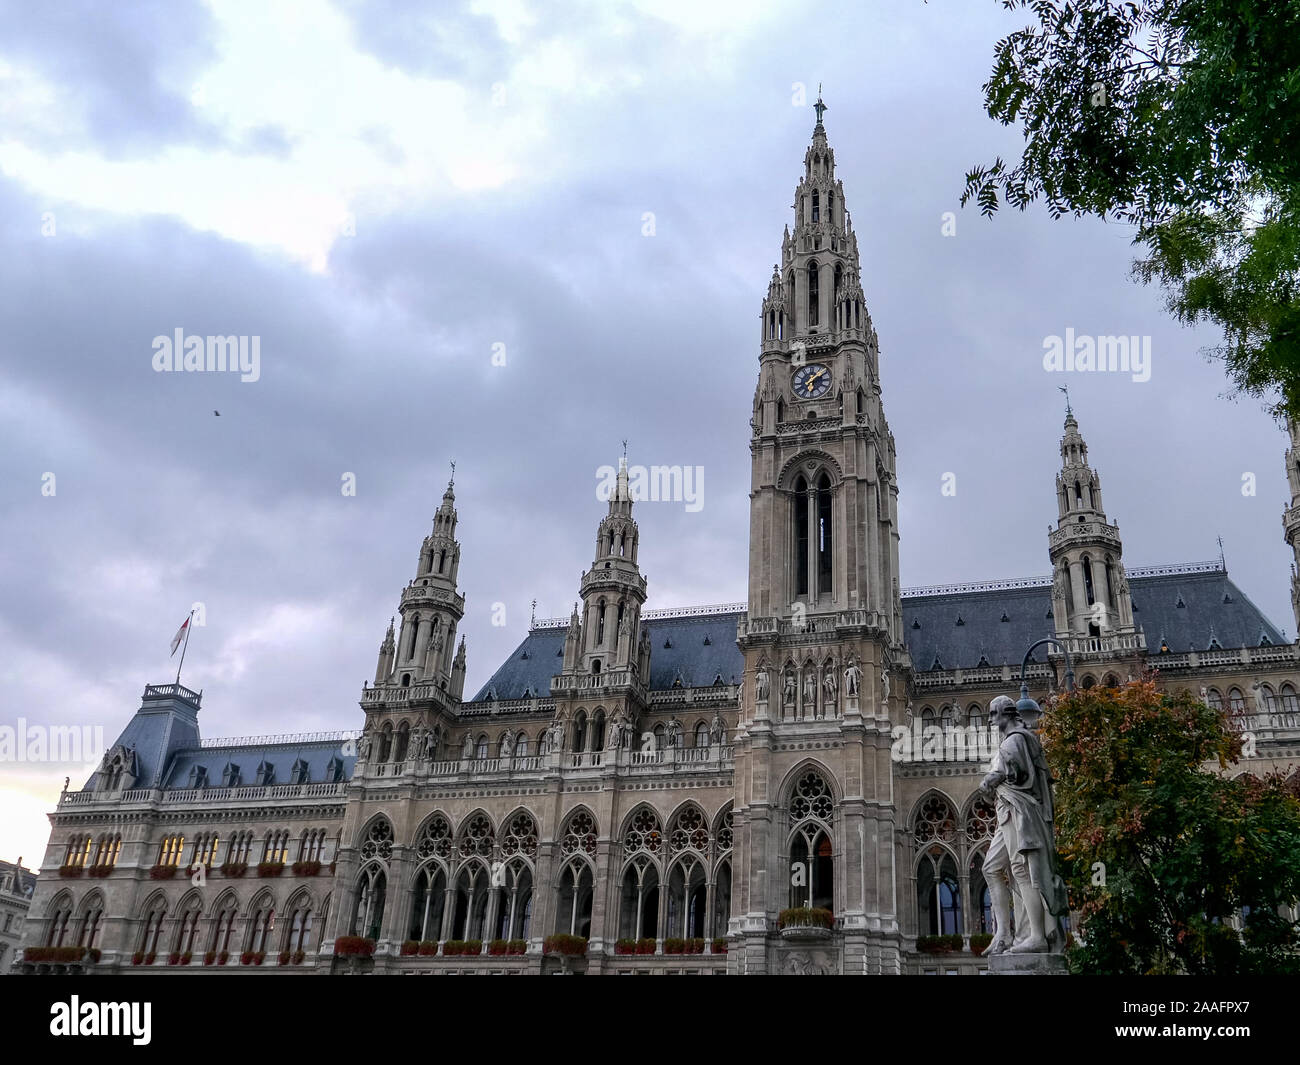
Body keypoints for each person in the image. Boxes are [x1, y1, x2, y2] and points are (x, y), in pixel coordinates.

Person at [979, 695, 1068, 955]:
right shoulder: (1016, 739)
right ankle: (1003, 934)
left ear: (1006, 715)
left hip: (1019, 811)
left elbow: (1012, 771)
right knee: (991, 868)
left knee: (1021, 869)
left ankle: (1037, 936)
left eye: (994, 716)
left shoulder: (1016, 739)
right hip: (1007, 810)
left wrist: (989, 781)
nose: (992, 722)